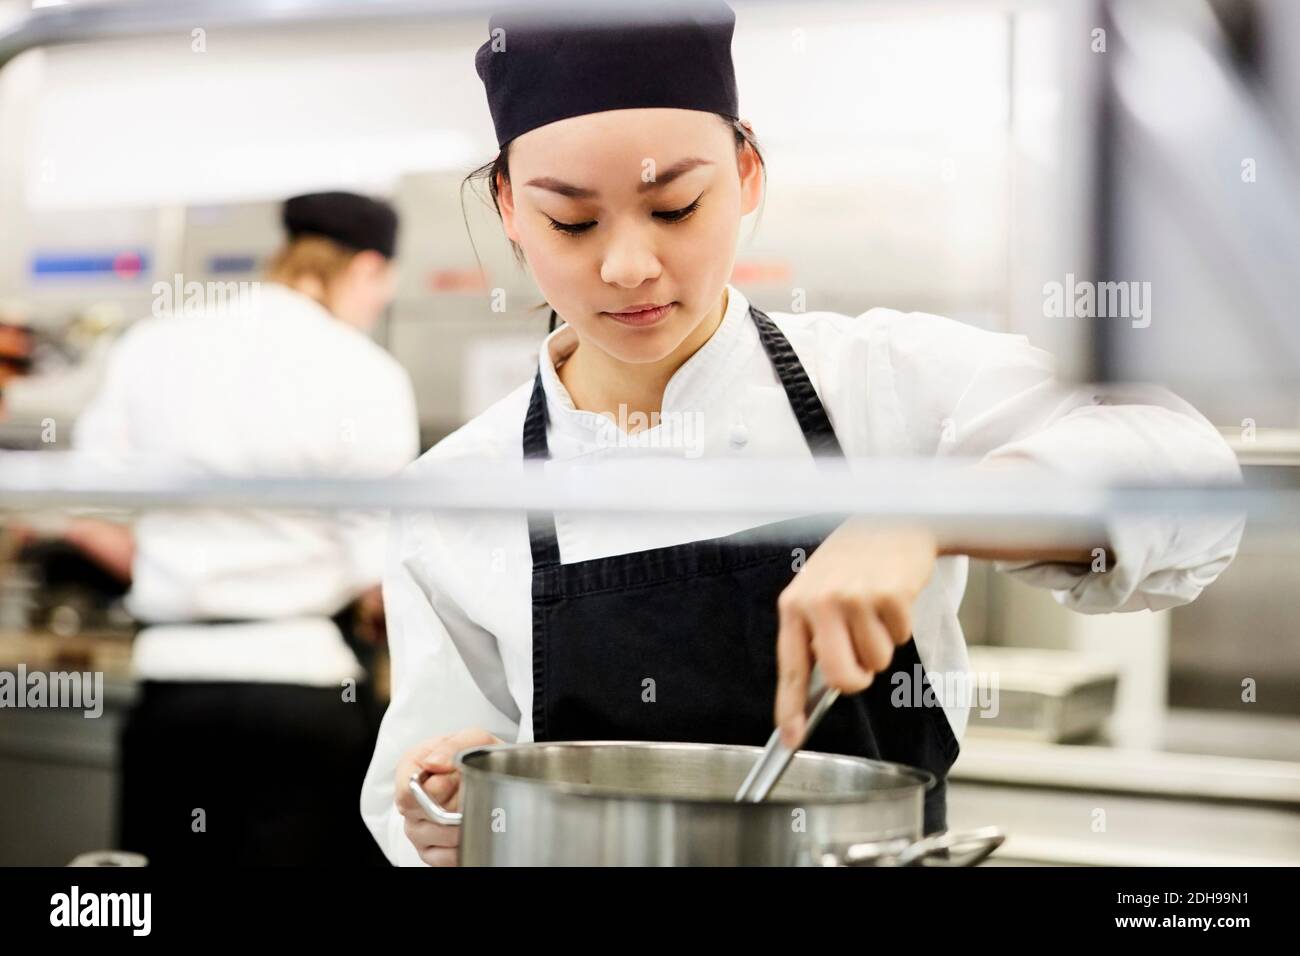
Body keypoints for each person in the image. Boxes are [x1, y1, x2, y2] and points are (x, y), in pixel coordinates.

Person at [362, 3, 1245, 866]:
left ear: (746, 174)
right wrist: (444, 815)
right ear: (510, 209)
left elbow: (1186, 472)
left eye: (674, 207)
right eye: (573, 222)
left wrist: (926, 513)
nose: (628, 266)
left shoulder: (880, 380)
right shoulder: (457, 491)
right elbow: (418, 791)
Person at [72, 191, 420, 865]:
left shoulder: (154, 346)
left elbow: (87, 517)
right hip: (304, 695)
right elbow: (380, 569)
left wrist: (178, 568)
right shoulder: (367, 373)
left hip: (174, 693)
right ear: (369, 268)